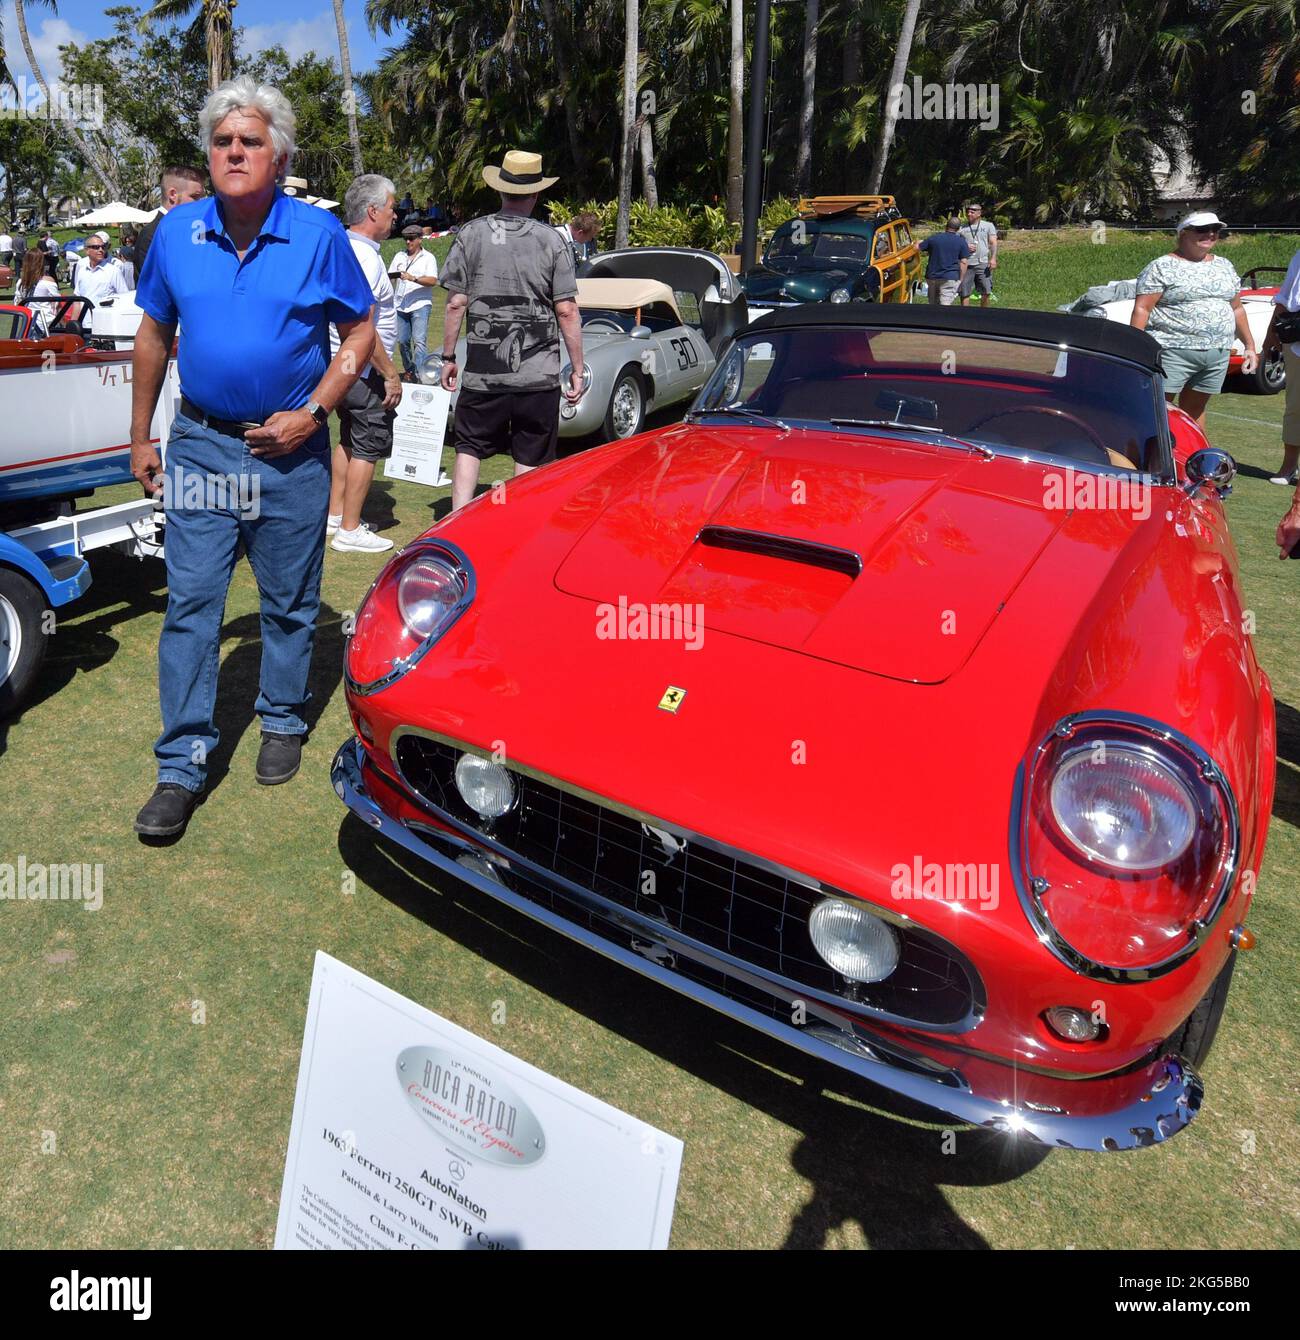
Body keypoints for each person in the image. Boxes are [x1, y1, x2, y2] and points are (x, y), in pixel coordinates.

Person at [128, 74, 374, 839]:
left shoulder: (317, 234)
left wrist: (314, 412)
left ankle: (280, 720)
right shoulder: (177, 231)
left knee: (291, 599)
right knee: (193, 603)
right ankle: (181, 765)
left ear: (281, 155)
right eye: (223, 141)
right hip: (200, 447)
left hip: (291, 454)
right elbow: (152, 336)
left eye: (251, 141)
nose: (235, 151)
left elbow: (359, 331)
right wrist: (141, 433)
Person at [438, 150, 584, 511]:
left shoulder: (470, 234)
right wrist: (578, 369)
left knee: (468, 447)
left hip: (483, 376)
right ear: (535, 194)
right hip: (537, 379)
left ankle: (457, 518)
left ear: (500, 191)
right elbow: (566, 310)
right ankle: (520, 521)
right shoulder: (553, 241)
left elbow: (456, 302)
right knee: (530, 454)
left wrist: (447, 357)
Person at [326, 174, 403, 554]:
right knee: (368, 443)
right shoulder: (367, 259)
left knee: (349, 440)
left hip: (341, 369)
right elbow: (363, 329)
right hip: (362, 369)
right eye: (391, 208)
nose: (395, 216)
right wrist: (390, 374)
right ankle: (350, 529)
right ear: (373, 211)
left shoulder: (342, 248)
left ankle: (337, 514)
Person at [1129, 212, 1258, 429]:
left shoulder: (1224, 265)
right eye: (1202, 229)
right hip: (1172, 351)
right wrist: (1134, 349)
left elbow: (1236, 309)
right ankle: (1147, 460)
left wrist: (1250, 346)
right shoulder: (1161, 266)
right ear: (1183, 233)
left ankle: (1194, 460)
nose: (1210, 234)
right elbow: (1143, 308)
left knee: (1195, 412)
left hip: (1217, 354)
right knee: (1156, 409)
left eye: (1215, 230)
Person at [1262, 244, 1300, 485]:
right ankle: (1288, 467)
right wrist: (1270, 333)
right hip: (1297, 341)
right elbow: (1286, 297)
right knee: (1296, 406)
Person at [388, 223, 439, 380]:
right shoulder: (399, 256)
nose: (408, 242)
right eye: (405, 239)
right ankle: (409, 369)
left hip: (420, 304)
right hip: (400, 304)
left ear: (420, 239)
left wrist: (413, 278)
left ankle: (420, 374)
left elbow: (432, 280)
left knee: (419, 342)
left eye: (411, 239)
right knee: (402, 341)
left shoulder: (428, 258)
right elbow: (389, 275)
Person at [136, 165, 206, 276]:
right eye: (195, 197)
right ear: (173, 195)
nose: (201, 203)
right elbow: (155, 284)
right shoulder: (152, 235)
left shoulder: (196, 231)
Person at [918, 217, 971, 305]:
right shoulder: (961, 242)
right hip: (950, 277)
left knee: (933, 304)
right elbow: (964, 262)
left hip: (932, 276)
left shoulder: (934, 238)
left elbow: (918, 247)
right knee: (945, 306)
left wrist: (917, 242)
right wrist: (960, 279)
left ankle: (932, 318)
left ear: (946, 226)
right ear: (958, 229)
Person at [958, 202, 998, 307]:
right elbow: (956, 244)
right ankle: (965, 315)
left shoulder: (988, 226)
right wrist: (965, 246)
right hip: (967, 263)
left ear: (979, 213)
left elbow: (993, 242)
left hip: (983, 263)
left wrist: (993, 258)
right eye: (968, 212)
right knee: (964, 292)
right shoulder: (962, 228)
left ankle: (983, 314)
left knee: (986, 291)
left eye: (972, 212)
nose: (969, 214)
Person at [74, 232, 131, 305]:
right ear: (86, 250)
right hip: (85, 315)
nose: (101, 250)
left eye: (103, 246)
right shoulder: (82, 267)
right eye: (96, 247)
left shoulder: (114, 269)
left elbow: (124, 296)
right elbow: (77, 298)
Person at [14, 250, 59, 335]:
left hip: (28, 324)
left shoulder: (20, 282)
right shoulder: (48, 281)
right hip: (47, 324)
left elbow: (17, 303)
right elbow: (57, 305)